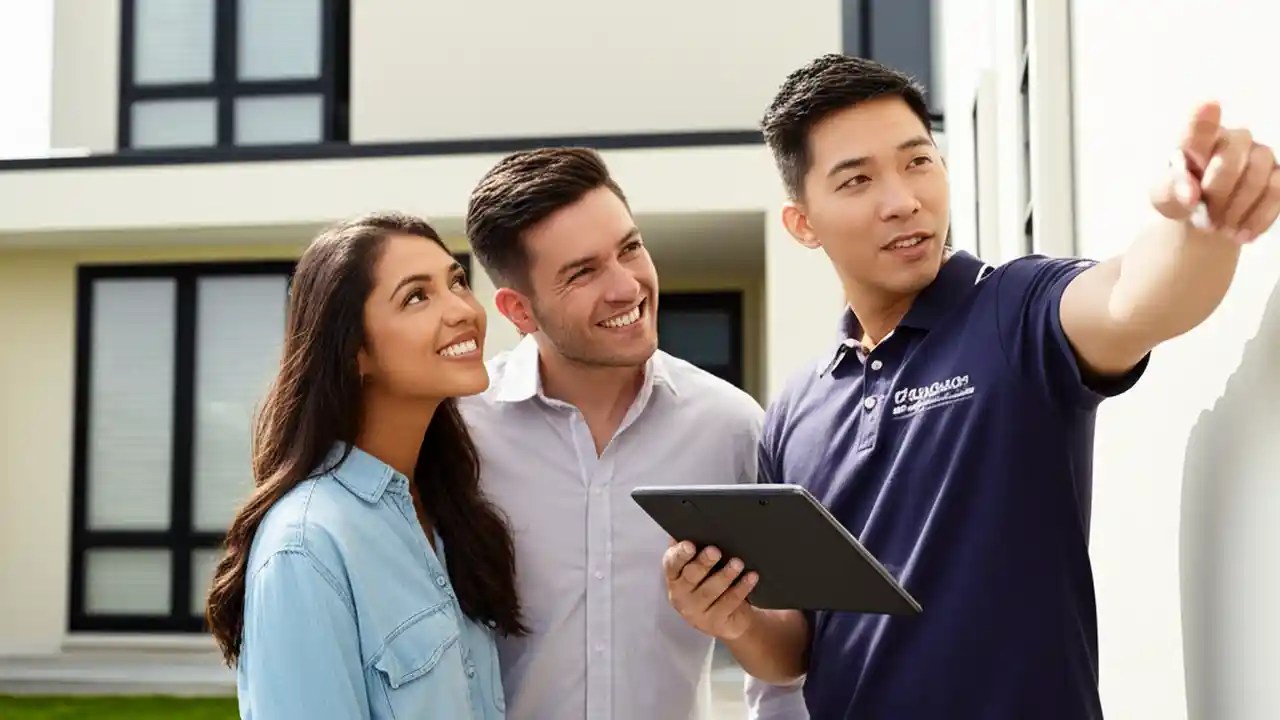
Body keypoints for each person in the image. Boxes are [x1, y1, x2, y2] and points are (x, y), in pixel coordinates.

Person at [661, 53, 1280, 719]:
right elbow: (800, 647)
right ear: (802, 224)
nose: (904, 201)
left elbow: (1134, 298)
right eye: (857, 180)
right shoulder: (794, 410)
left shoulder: (1016, 310)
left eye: (917, 161)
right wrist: (734, 621)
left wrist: (1201, 225)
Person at [456, 147, 807, 720]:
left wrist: (736, 622)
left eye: (630, 249)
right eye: (583, 272)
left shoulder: (730, 426)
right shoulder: (461, 433)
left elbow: (789, 661)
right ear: (519, 310)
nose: (627, 287)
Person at [204, 212, 527, 719]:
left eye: (457, 281)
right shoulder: (306, 546)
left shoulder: (448, 509)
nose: (463, 309)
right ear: (355, 350)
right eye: (417, 296)